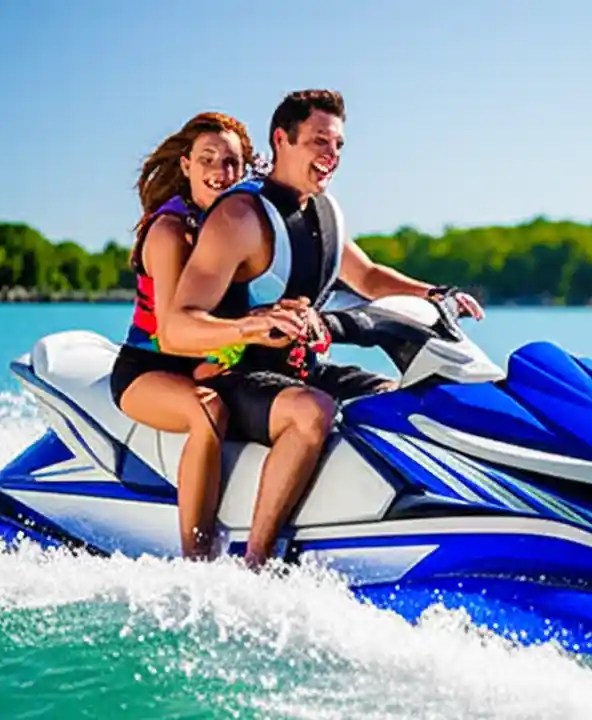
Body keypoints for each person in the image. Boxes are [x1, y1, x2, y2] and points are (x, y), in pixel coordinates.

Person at [161, 89, 484, 568]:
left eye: (337, 146)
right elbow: (176, 327)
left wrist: (435, 295)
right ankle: (257, 561)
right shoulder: (240, 218)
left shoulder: (324, 210)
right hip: (235, 376)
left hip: (303, 368)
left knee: (404, 397)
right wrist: (252, 326)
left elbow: (370, 278)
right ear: (281, 140)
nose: (330, 156)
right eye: (318, 142)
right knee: (312, 412)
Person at [109, 111, 300, 560]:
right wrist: (247, 332)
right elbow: (174, 336)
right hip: (148, 368)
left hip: (203, 360)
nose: (220, 172)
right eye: (208, 159)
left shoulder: (235, 226)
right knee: (209, 413)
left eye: (232, 162)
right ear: (186, 166)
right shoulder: (170, 232)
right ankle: (197, 559)